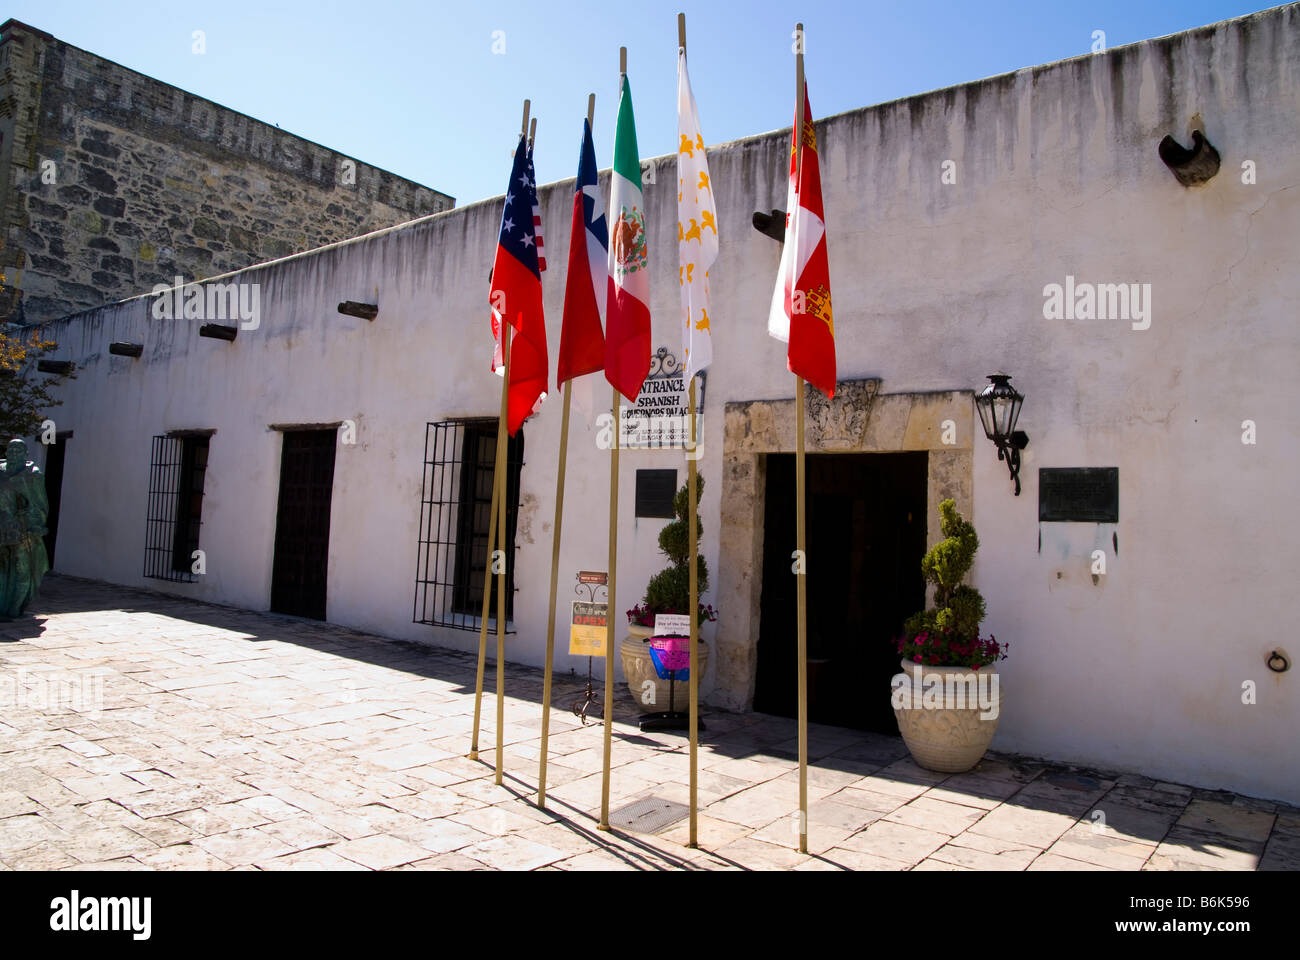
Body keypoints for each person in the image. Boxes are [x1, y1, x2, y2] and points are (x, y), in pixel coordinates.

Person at [0, 438, 50, 619]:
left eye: (18, 450)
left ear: (26, 454)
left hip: (22, 529)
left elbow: (39, 503)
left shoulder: (32, 475)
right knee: (3, 569)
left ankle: (15, 606)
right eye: (11, 450)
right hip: (1, 525)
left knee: (23, 569)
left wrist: (35, 523)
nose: (13, 454)